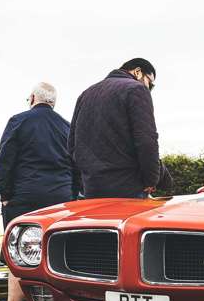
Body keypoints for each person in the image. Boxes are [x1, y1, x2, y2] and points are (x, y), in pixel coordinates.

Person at [0, 82, 73, 301]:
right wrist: (72, 196)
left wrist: (5, 193)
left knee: (18, 252)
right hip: (61, 197)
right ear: (53, 102)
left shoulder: (19, 121)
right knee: (52, 252)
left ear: (32, 98)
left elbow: (6, 159)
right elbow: (76, 163)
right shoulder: (67, 126)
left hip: (26, 194)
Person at [68, 57, 172, 199]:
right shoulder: (136, 89)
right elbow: (147, 140)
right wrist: (151, 179)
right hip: (128, 188)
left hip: (92, 188)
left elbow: (72, 144)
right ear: (138, 72)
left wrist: (86, 178)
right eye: (150, 83)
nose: (149, 88)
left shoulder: (85, 94)